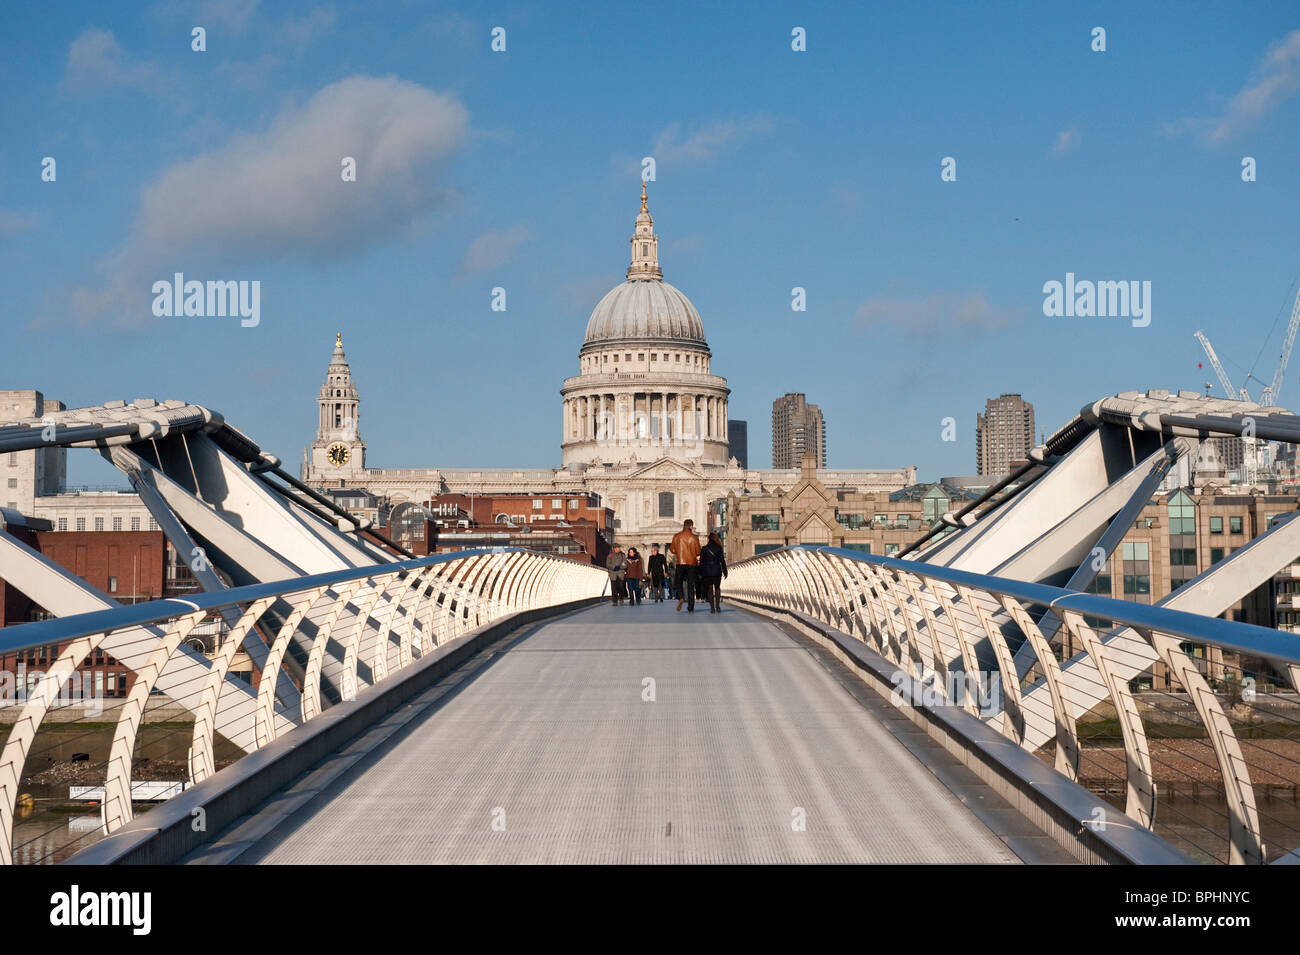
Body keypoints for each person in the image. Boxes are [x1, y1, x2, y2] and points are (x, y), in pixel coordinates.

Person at [670, 519, 701, 613]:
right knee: (691, 586)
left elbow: (672, 550)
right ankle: (690, 607)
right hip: (691, 563)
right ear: (691, 526)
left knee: (678, 583)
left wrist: (679, 552)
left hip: (680, 563)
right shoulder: (694, 537)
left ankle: (681, 597)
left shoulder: (677, 536)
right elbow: (698, 552)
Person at [699, 532, 727, 613]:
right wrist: (725, 571)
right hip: (717, 570)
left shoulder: (704, 549)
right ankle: (718, 606)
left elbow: (702, 562)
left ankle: (712, 608)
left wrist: (701, 572)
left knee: (710, 589)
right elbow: (722, 561)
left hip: (707, 572)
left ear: (709, 539)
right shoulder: (719, 548)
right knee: (717, 588)